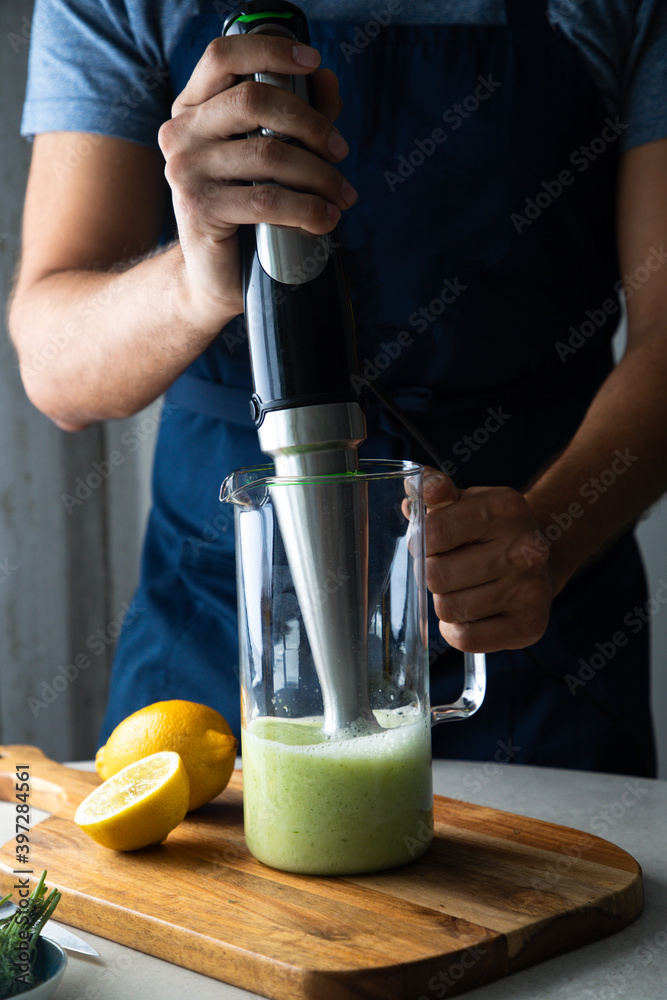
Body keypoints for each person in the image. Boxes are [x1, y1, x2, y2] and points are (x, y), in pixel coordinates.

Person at [9, 0, 667, 777]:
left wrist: (548, 538)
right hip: (220, 630)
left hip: (527, 622)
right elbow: (56, 372)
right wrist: (194, 281)